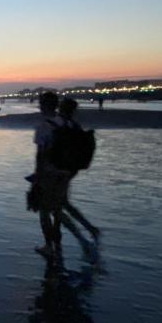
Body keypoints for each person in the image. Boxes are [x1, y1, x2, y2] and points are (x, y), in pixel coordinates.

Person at [32, 92, 72, 258]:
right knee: (57, 209)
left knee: (43, 211)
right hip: (66, 172)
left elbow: (40, 154)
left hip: (49, 173)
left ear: (44, 105)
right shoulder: (65, 122)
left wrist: (37, 176)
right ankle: (58, 243)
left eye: (41, 104)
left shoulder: (43, 126)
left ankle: (49, 246)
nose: (39, 106)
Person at [57, 98, 101, 243]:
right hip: (70, 170)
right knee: (63, 203)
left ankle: (82, 237)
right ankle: (89, 229)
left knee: (56, 206)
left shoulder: (62, 124)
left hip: (60, 170)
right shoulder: (74, 125)